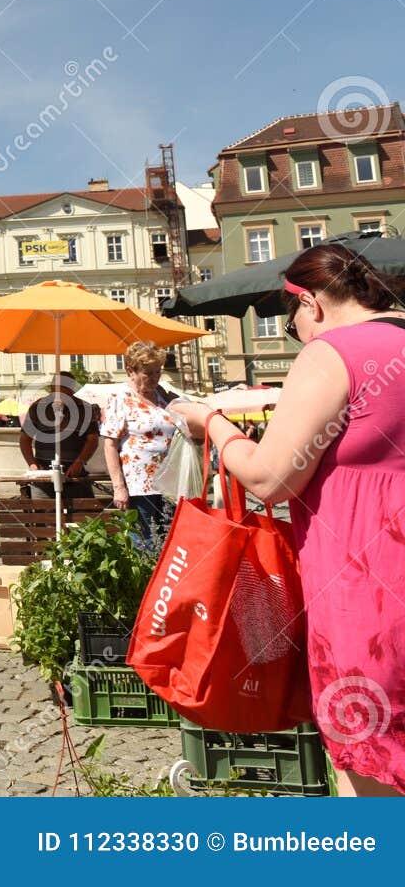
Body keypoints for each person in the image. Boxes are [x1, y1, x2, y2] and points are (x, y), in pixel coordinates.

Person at [170, 244, 405, 797]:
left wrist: (214, 423)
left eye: (291, 315)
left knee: (369, 769)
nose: (296, 328)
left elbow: (271, 477)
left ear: (312, 304)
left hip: (368, 590)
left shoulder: (334, 352)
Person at [99, 341, 180, 547]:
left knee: (168, 543)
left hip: (169, 484)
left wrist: (177, 402)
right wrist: (119, 487)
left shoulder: (163, 397)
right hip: (139, 485)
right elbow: (109, 445)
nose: (154, 378)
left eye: (157, 372)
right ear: (130, 371)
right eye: (148, 373)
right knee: (145, 544)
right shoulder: (120, 398)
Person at [19, 373, 99, 497]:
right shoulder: (38, 406)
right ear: (51, 388)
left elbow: (92, 440)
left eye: (65, 387)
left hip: (76, 475)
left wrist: (79, 462)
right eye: (57, 387)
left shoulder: (85, 408)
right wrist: (32, 464)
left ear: (73, 389)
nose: (61, 390)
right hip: (44, 474)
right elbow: (25, 439)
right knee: (44, 513)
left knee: (83, 513)